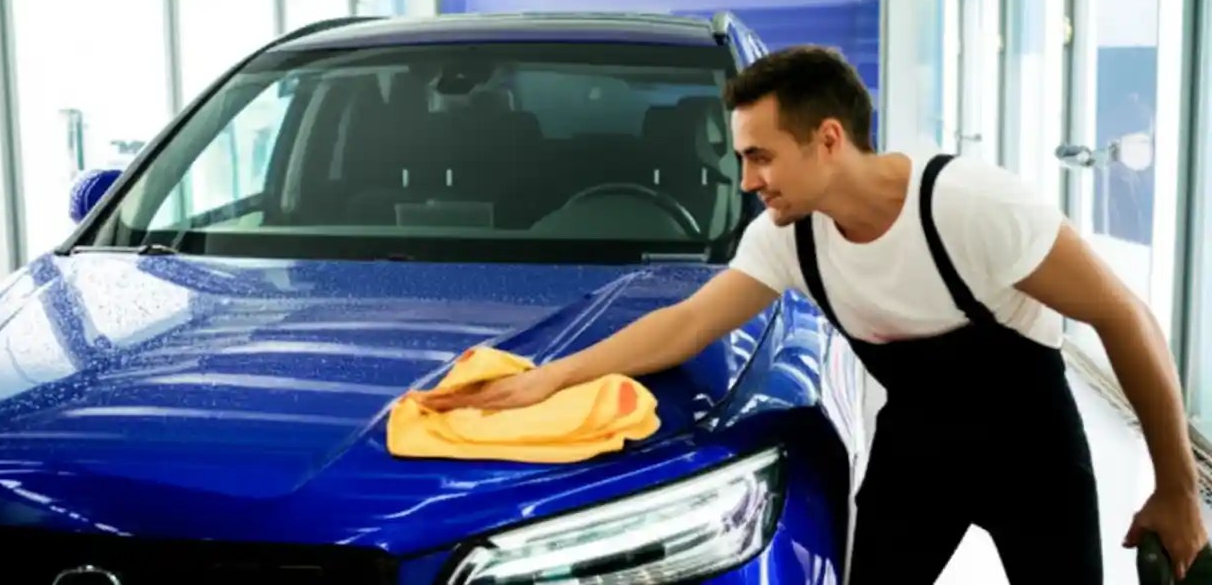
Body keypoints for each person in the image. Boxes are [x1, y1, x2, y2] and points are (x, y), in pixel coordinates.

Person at [413, 45, 1207, 583]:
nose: (749, 179)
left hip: (1032, 451)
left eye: (761, 155)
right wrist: (547, 379)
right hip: (918, 452)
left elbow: (1121, 315)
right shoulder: (791, 238)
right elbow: (687, 325)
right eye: (742, 159)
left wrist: (1178, 487)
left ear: (828, 140)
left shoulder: (971, 205)